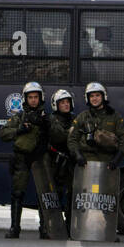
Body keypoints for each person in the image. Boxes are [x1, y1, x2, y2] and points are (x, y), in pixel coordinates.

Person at [0, 82, 52, 238]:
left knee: (43, 194)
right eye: (30, 97)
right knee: (17, 193)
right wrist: (20, 129)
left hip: (41, 160)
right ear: (25, 99)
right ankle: (15, 228)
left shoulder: (46, 118)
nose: (33, 100)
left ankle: (44, 229)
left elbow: (57, 136)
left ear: (40, 98)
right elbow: (3, 134)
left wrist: (46, 125)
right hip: (22, 159)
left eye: (36, 97)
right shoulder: (19, 117)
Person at [48, 88, 76, 231]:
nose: (66, 105)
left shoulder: (74, 119)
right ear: (56, 105)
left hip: (71, 162)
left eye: (67, 102)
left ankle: (69, 225)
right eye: (62, 102)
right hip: (56, 163)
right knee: (54, 194)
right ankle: (52, 225)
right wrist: (71, 133)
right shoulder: (52, 119)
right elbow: (59, 137)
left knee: (71, 194)